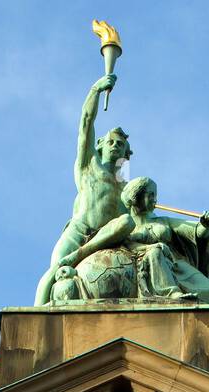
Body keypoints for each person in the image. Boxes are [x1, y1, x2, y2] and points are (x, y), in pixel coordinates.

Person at [34, 74, 131, 305]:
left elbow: (137, 215)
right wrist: (96, 90)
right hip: (78, 232)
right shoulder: (89, 165)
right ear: (100, 145)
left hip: (107, 239)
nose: (115, 145)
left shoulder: (123, 183)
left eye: (121, 144)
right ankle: (37, 313)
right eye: (111, 141)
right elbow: (86, 122)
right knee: (55, 269)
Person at [58, 176, 209, 303]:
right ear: (136, 197)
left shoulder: (163, 221)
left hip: (173, 267)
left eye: (155, 195)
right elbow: (117, 243)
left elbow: (195, 231)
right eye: (150, 195)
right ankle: (171, 293)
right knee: (155, 252)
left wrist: (205, 225)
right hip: (139, 262)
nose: (155, 199)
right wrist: (147, 248)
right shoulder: (123, 223)